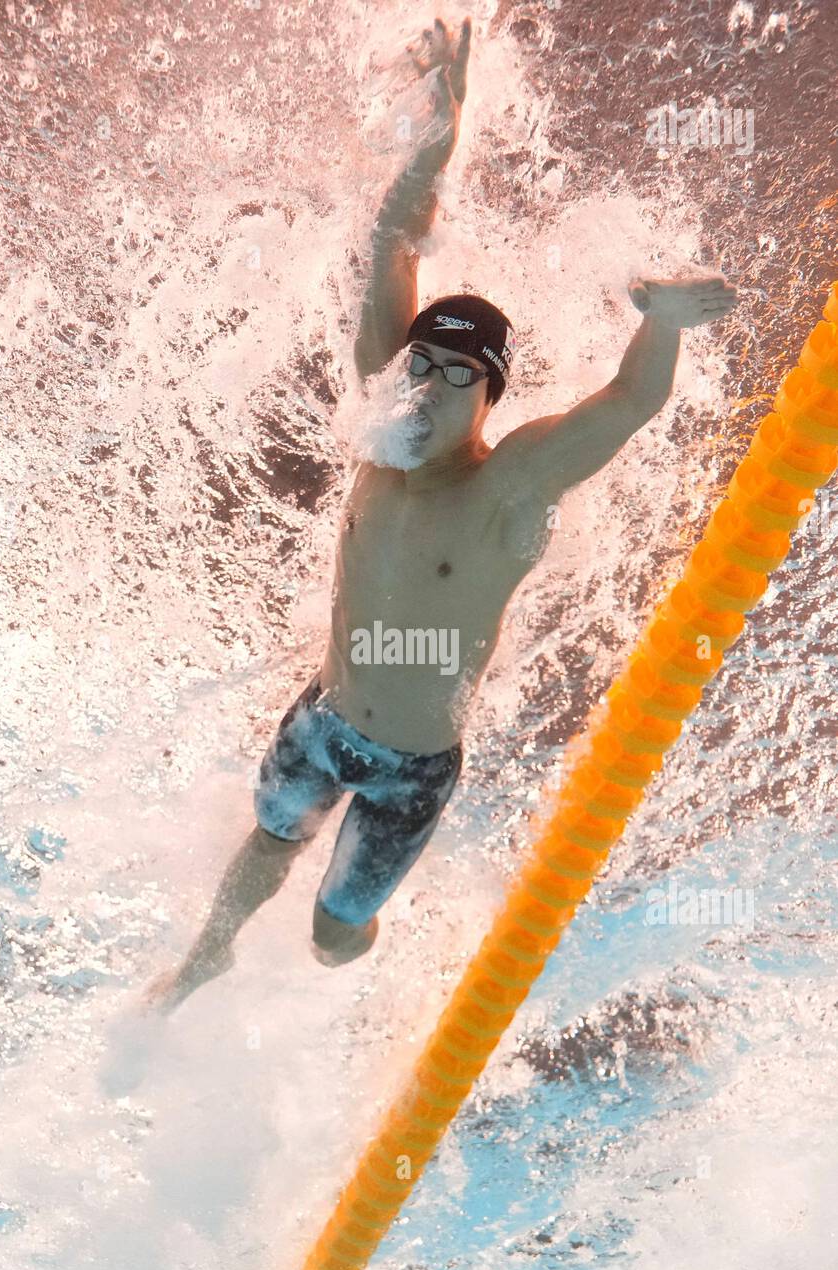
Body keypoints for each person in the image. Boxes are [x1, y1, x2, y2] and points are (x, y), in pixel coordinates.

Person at [143, 15, 738, 1013]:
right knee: (268, 838)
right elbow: (392, 242)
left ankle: (371, 940)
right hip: (323, 716)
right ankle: (207, 955)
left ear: (490, 395)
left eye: (456, 375)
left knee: (335, 939)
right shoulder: (383, 426)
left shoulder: (506, 484)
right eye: (419, 363)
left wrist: (661, 325)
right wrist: (436, 138)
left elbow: (624, 406)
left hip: (407, 772)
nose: (423, 386)